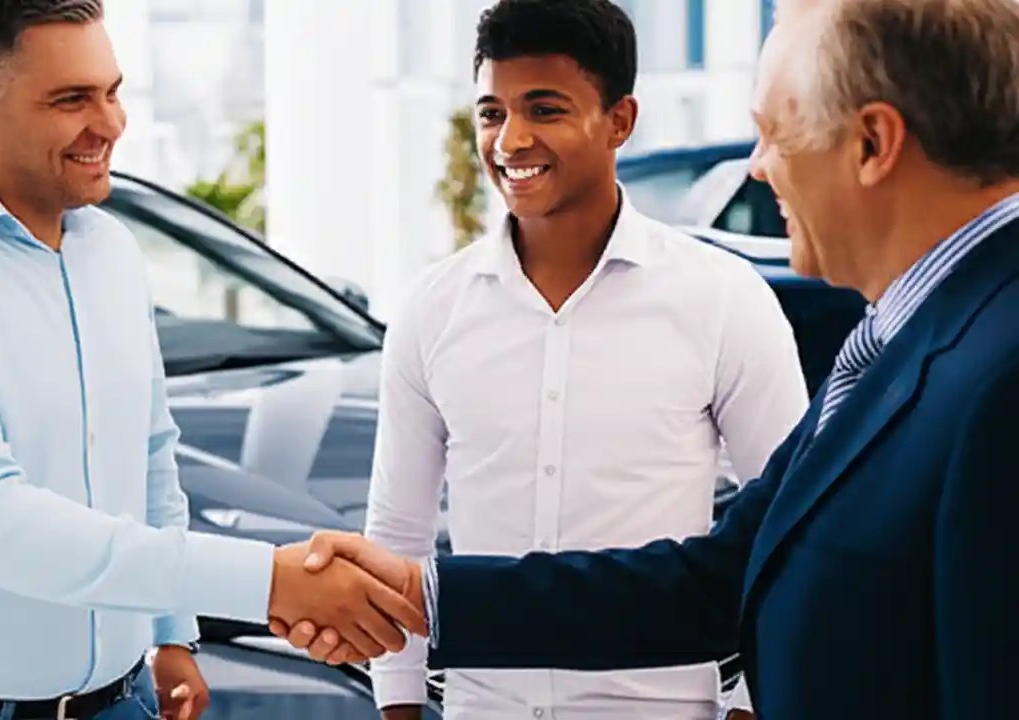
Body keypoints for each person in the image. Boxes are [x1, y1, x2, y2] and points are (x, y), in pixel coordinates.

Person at [276, 0, 1019, 717]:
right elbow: (722, 579)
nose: (755, 169)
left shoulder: (999, 372)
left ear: (871, 144)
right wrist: (422, 595)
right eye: (493, 111)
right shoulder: (900, 340)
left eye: (773, 133)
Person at [0, 2, 423, 720]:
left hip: (125, 701)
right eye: (72, 99)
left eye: (111, 91)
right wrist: (271, 582)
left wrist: (171, 635)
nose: (110, 122)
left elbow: (147, 456)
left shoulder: (110, 250)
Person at [341, 1, 805, 718]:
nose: (510, 140)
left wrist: (749, 706)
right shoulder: (431, 309)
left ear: (620, 120)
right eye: (491, 112)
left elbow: (792, 529)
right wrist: (398, 707)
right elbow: (396, 536)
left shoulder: (722, 300)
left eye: (544, 109)